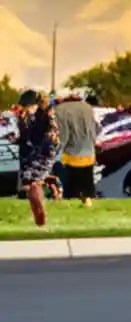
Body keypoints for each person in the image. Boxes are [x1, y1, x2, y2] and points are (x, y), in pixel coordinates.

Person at [16, 90, 60, 227]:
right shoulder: (32, 116)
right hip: (35, 150)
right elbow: (26, 135)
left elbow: (50, 134)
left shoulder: (46, 114)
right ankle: (49, 191)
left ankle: (40, 209)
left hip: (44, 149)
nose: (26, 110)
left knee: (33, 181)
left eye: (27, 107)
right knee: (31, 182)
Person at [53, 89, 99, 206]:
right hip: (89, 150)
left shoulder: (60, 109)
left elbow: (63, 133)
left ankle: (71, 199)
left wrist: (57, 148)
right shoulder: (87, 107)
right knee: (87, 179)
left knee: (70, 182)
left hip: (71, 152)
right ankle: (87, 200)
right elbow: (96, 128)